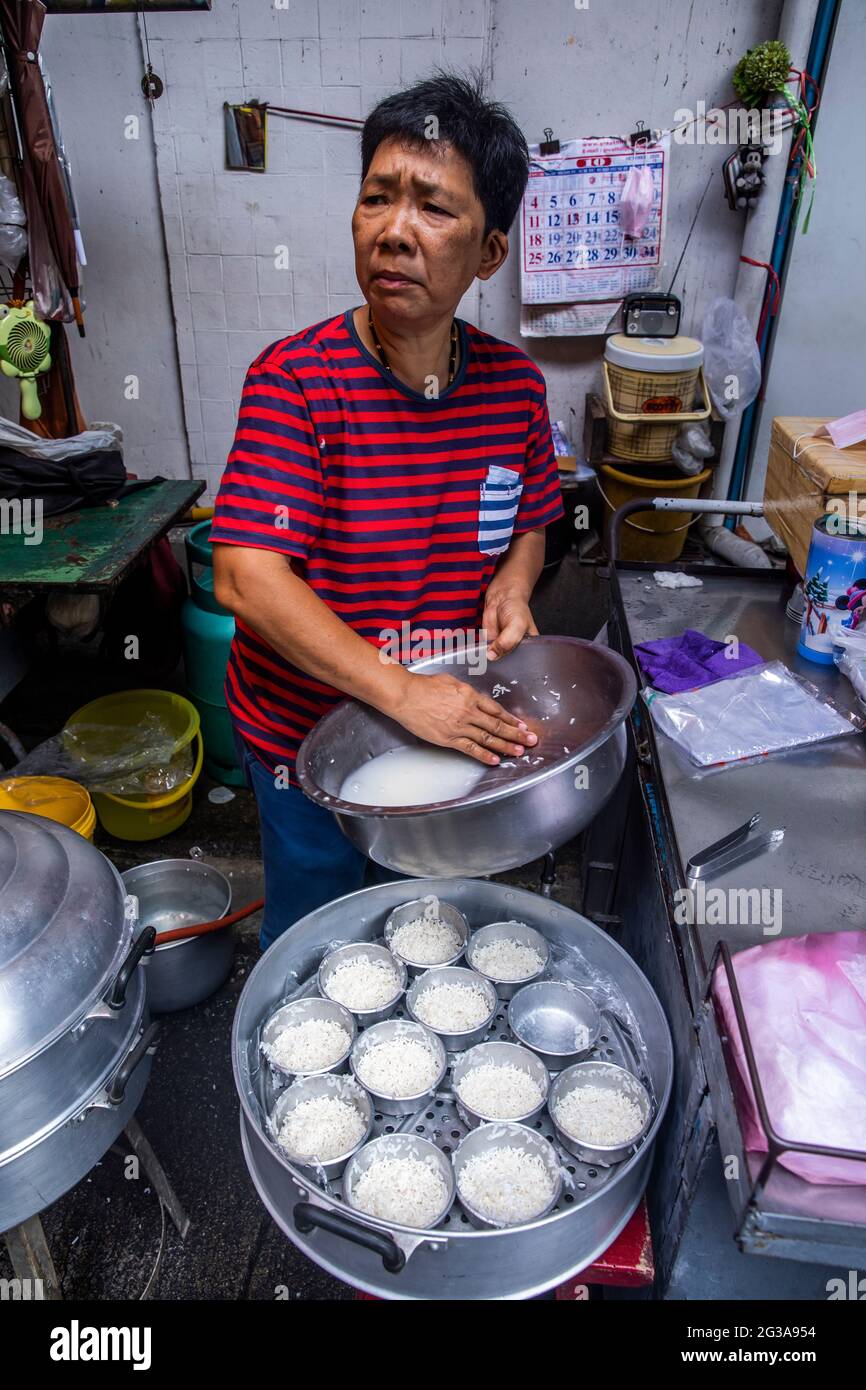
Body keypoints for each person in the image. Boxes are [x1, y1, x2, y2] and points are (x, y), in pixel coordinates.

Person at [211, 73, 564, 950]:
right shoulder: (296, 384)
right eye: (377, 198)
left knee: (429, 925)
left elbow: (532, 518)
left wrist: (517, 583)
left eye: (433, 208)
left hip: (441, 728)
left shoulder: (514, 388)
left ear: (488, 252)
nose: (394, 231)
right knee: (323, 936)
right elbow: (247, 578)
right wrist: (406, 693)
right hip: (304, 740)